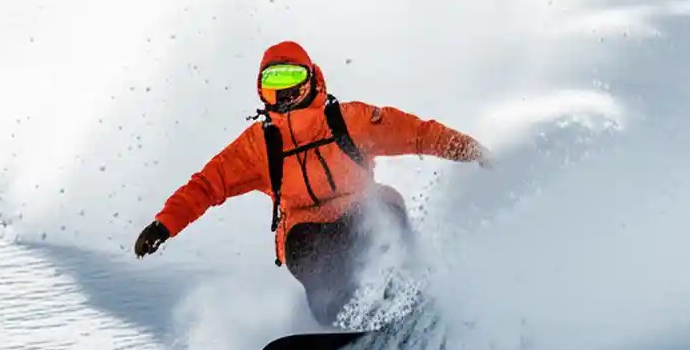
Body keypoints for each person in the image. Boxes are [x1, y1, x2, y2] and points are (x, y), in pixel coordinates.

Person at [133, 40, 490, 326]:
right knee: (313, 256)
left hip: (361, 211)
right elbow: (208, 185)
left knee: (384, 214)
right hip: (305, 229)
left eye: (291, 79)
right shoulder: (259, 145)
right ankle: (340, 321)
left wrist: (467, 149)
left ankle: (413, 291)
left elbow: (416, 133)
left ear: (310, 79)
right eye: (274, 83)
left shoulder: (349, 120)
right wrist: (164, 224)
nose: (284, 92)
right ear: (261, 91)